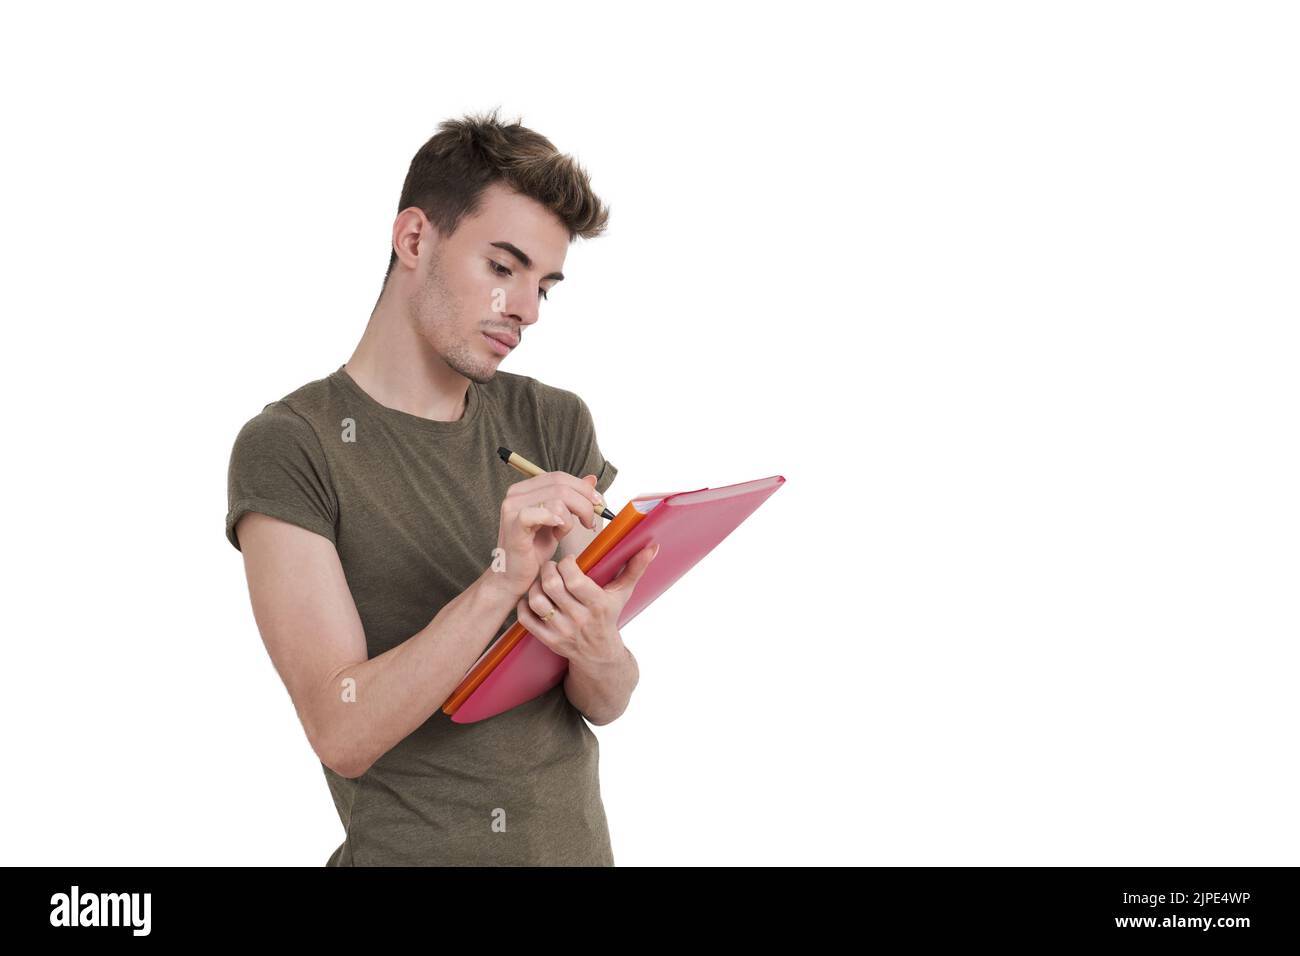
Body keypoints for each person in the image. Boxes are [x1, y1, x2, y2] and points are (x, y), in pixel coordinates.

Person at [224, 109, 658, 866]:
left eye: (543, 286)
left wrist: (597, 644)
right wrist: (499, 584)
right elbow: (342, 732)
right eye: (502, 267)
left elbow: (606, 700)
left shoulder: (551, 422)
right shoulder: (295, 447)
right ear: (415, 239)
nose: (524, 309)